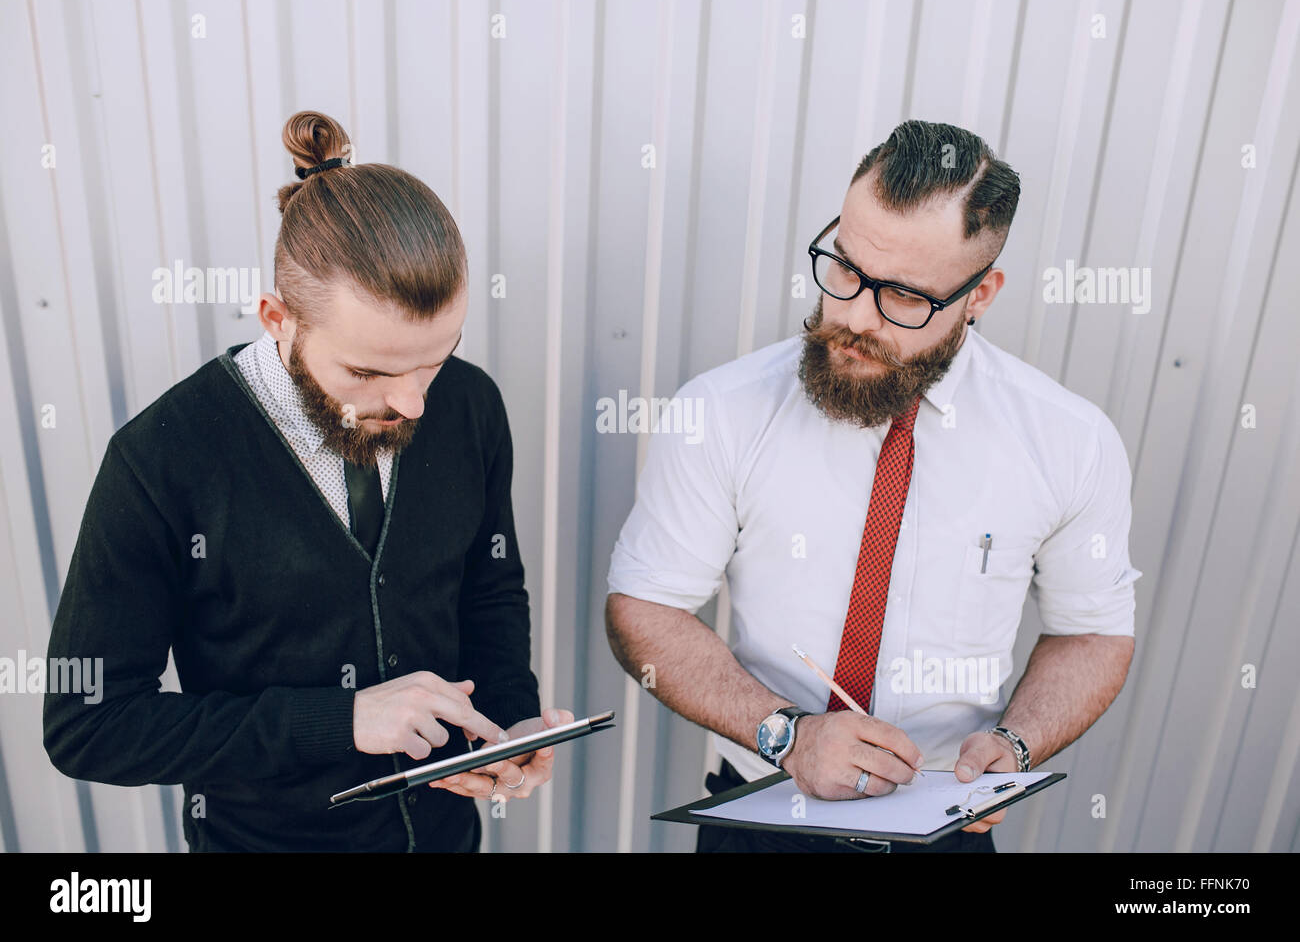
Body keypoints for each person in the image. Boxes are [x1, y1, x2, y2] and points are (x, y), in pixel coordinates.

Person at [605, 119, 1140, 853]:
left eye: (906, 297)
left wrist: (1017, 746)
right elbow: (647, 606)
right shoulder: (720, 412)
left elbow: (1092, 632)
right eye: (847, 268)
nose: (853, 317)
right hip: (765, 806)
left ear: (980, 295)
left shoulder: (1070, 441)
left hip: (947, 823)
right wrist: (786, 735)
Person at [43, 110, 571, 852]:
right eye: (368, 371)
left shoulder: (471, 404)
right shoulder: (162, 459)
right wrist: (341, 719)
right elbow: (89, 726)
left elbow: (486, 589)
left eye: (435, 359)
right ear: (277, 320)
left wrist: (509, 724)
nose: (413, 402)